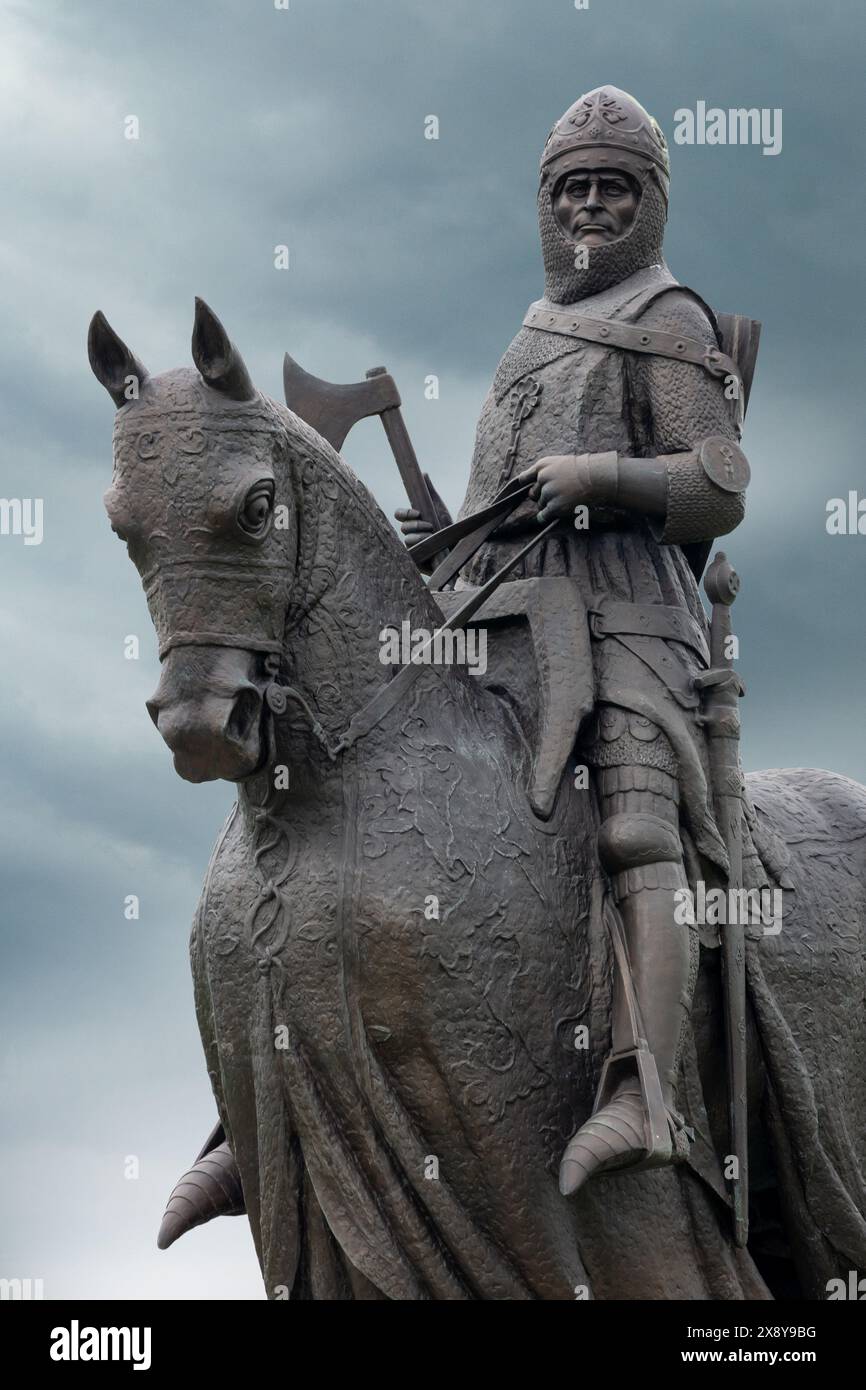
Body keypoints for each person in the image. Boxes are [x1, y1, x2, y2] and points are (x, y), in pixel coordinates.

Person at [397, 85, 750, 1195]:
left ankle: (645, 1089)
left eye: (610, 188)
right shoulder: (522, 343)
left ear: (645, 201)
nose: (589, 208)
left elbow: (719, 485)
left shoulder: (670, 317)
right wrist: (432, 536)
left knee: (636, 824)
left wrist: (597, 477)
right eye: (570, 190)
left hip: (629, 615)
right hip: (507, 616)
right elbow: (483, 506)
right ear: (545, 205)